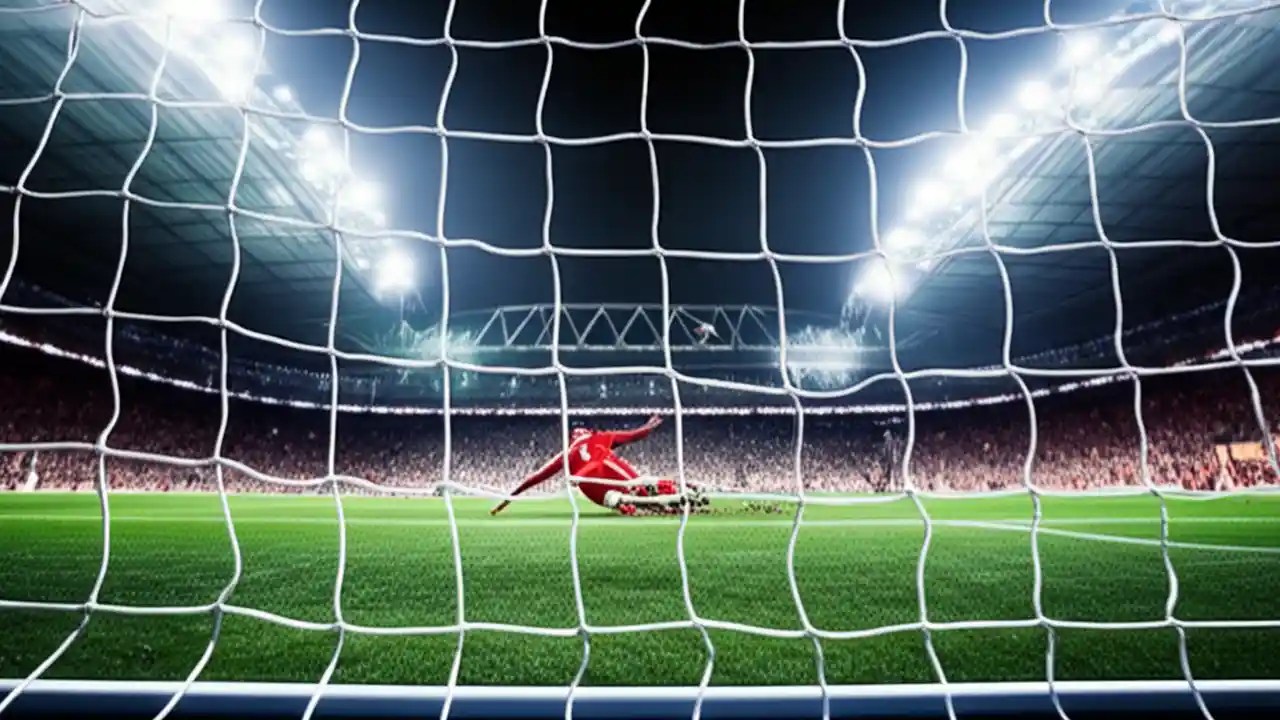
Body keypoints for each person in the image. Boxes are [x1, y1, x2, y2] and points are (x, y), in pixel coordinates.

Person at [490, 415, 707, 516]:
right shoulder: (600, 438)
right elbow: (633, 435)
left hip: (592, 487)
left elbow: (535, 478)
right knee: (635, 482)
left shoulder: (566, 454)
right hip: (608, 473)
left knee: (620, 497)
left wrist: (507, 500)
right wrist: (648, 427)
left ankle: (641, 501)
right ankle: (679, 492)